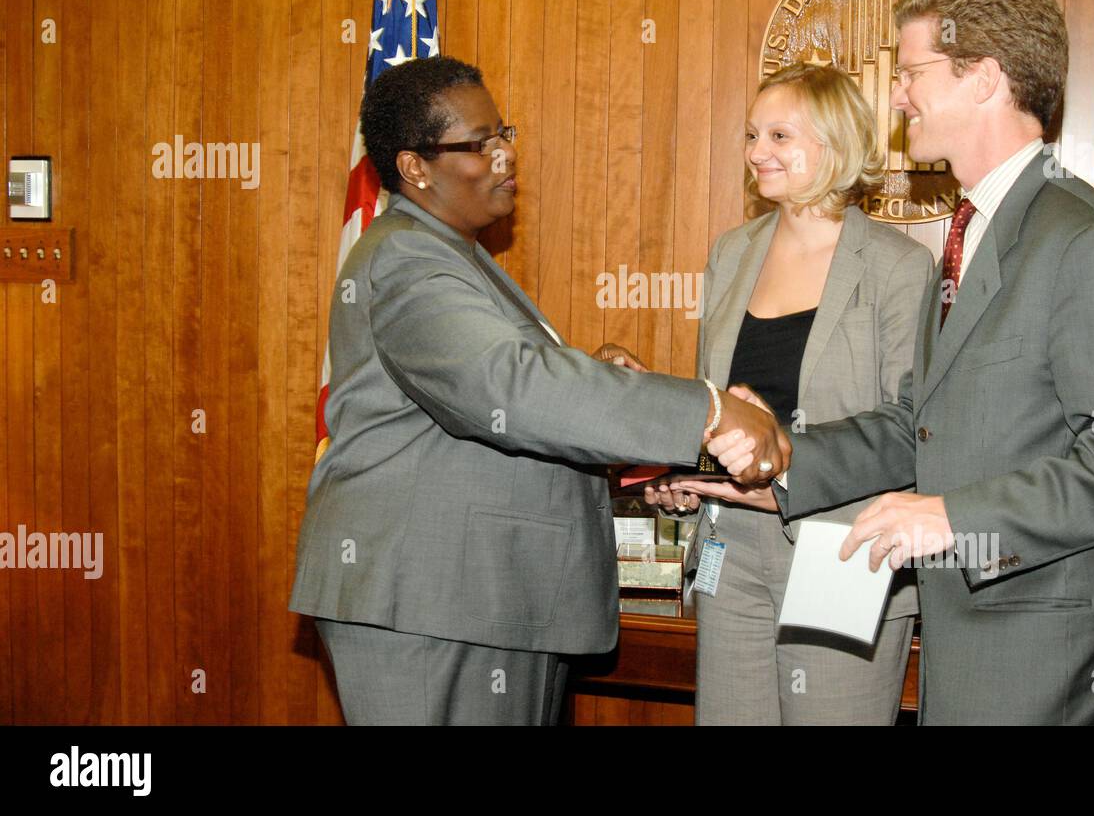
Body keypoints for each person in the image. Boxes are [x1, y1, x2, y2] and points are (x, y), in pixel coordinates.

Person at [701, 0, 1094, 725]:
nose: (897, 95)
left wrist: (954, 520)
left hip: (1051, 662)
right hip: (972, 646)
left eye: (912, 73)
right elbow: (915, 425)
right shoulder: (971, 236)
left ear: (984, 79)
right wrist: (784, 461)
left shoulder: (1085, 241)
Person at [289, 55, 787, 725]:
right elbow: (515, 390)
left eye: (505, 134)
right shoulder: (411, 259)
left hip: (475, 601)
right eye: (479, 143)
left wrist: (592, 379)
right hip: (431, 606)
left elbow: (503, 393)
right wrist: (708, 410)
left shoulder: (453, 254)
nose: (504, 156)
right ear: (414, 167)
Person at [645, 63, 932, 724]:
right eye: (751, 135)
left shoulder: (898, 266)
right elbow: (717, 402)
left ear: (835, 144)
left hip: (845, 549)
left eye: (779, 135)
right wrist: (682, 471)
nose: (755, 152)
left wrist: (786, 461)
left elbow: (910, 426)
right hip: (729, 544)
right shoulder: (731, 252)